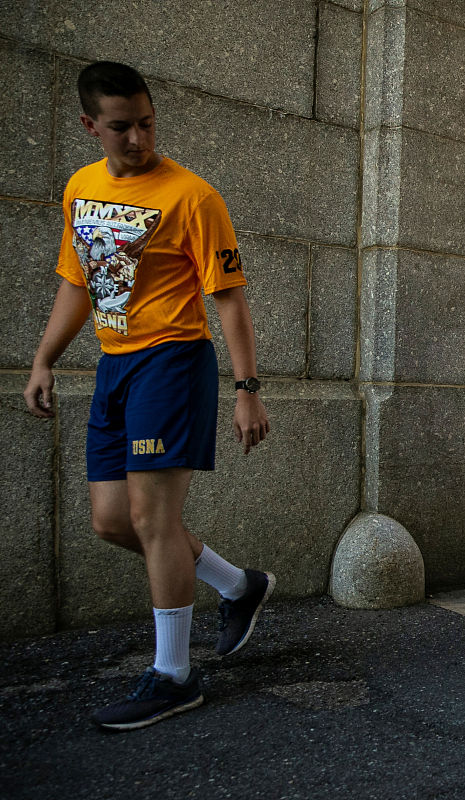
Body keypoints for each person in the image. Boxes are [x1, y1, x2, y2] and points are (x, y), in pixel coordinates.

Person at [22, 61, 274, 730]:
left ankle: (174, 677)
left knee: (153, 518)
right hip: (114, 367)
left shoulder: (194, 197)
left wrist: (246, 389)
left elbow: (230, 300)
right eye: (120, 127)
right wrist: (44, 359)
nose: (137, 138)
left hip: (172, 361)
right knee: (111, 521)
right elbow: (79, 282)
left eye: (146, 123)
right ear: (90, 126)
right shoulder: (81, 188)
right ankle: (238, 585)